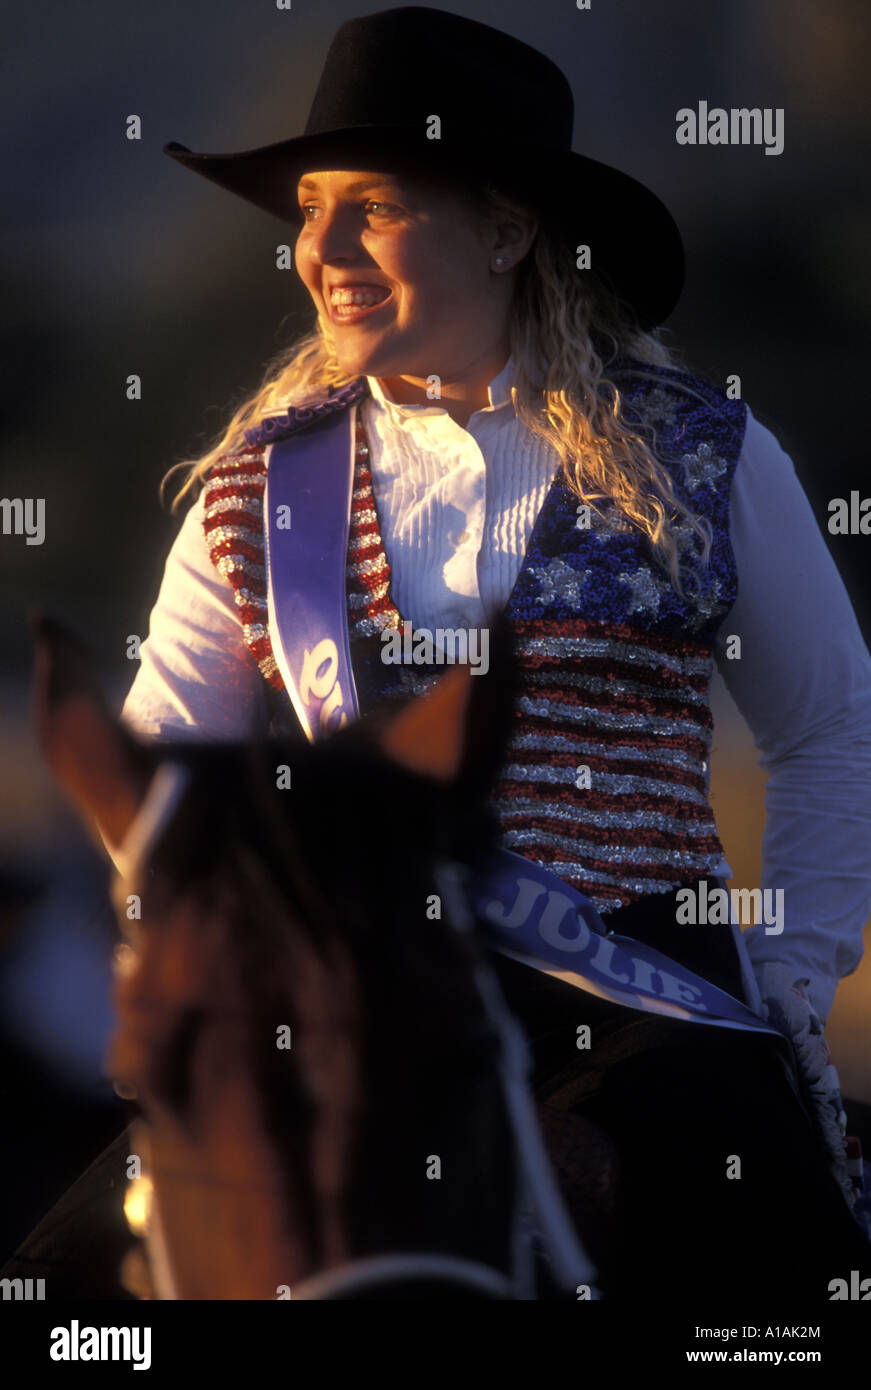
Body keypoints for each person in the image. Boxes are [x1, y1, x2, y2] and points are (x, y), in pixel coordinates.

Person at [23, 6, 871, 1300]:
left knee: (781, 1270)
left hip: (643, 1008)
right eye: (311, 209)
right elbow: (166, 787)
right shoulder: (255, 491)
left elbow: (833, 724)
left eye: (373, 204)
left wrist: (798, 970)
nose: (324, 248)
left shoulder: (703, 457)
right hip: (346, 1000)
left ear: (508, 227)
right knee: (63, 1272)